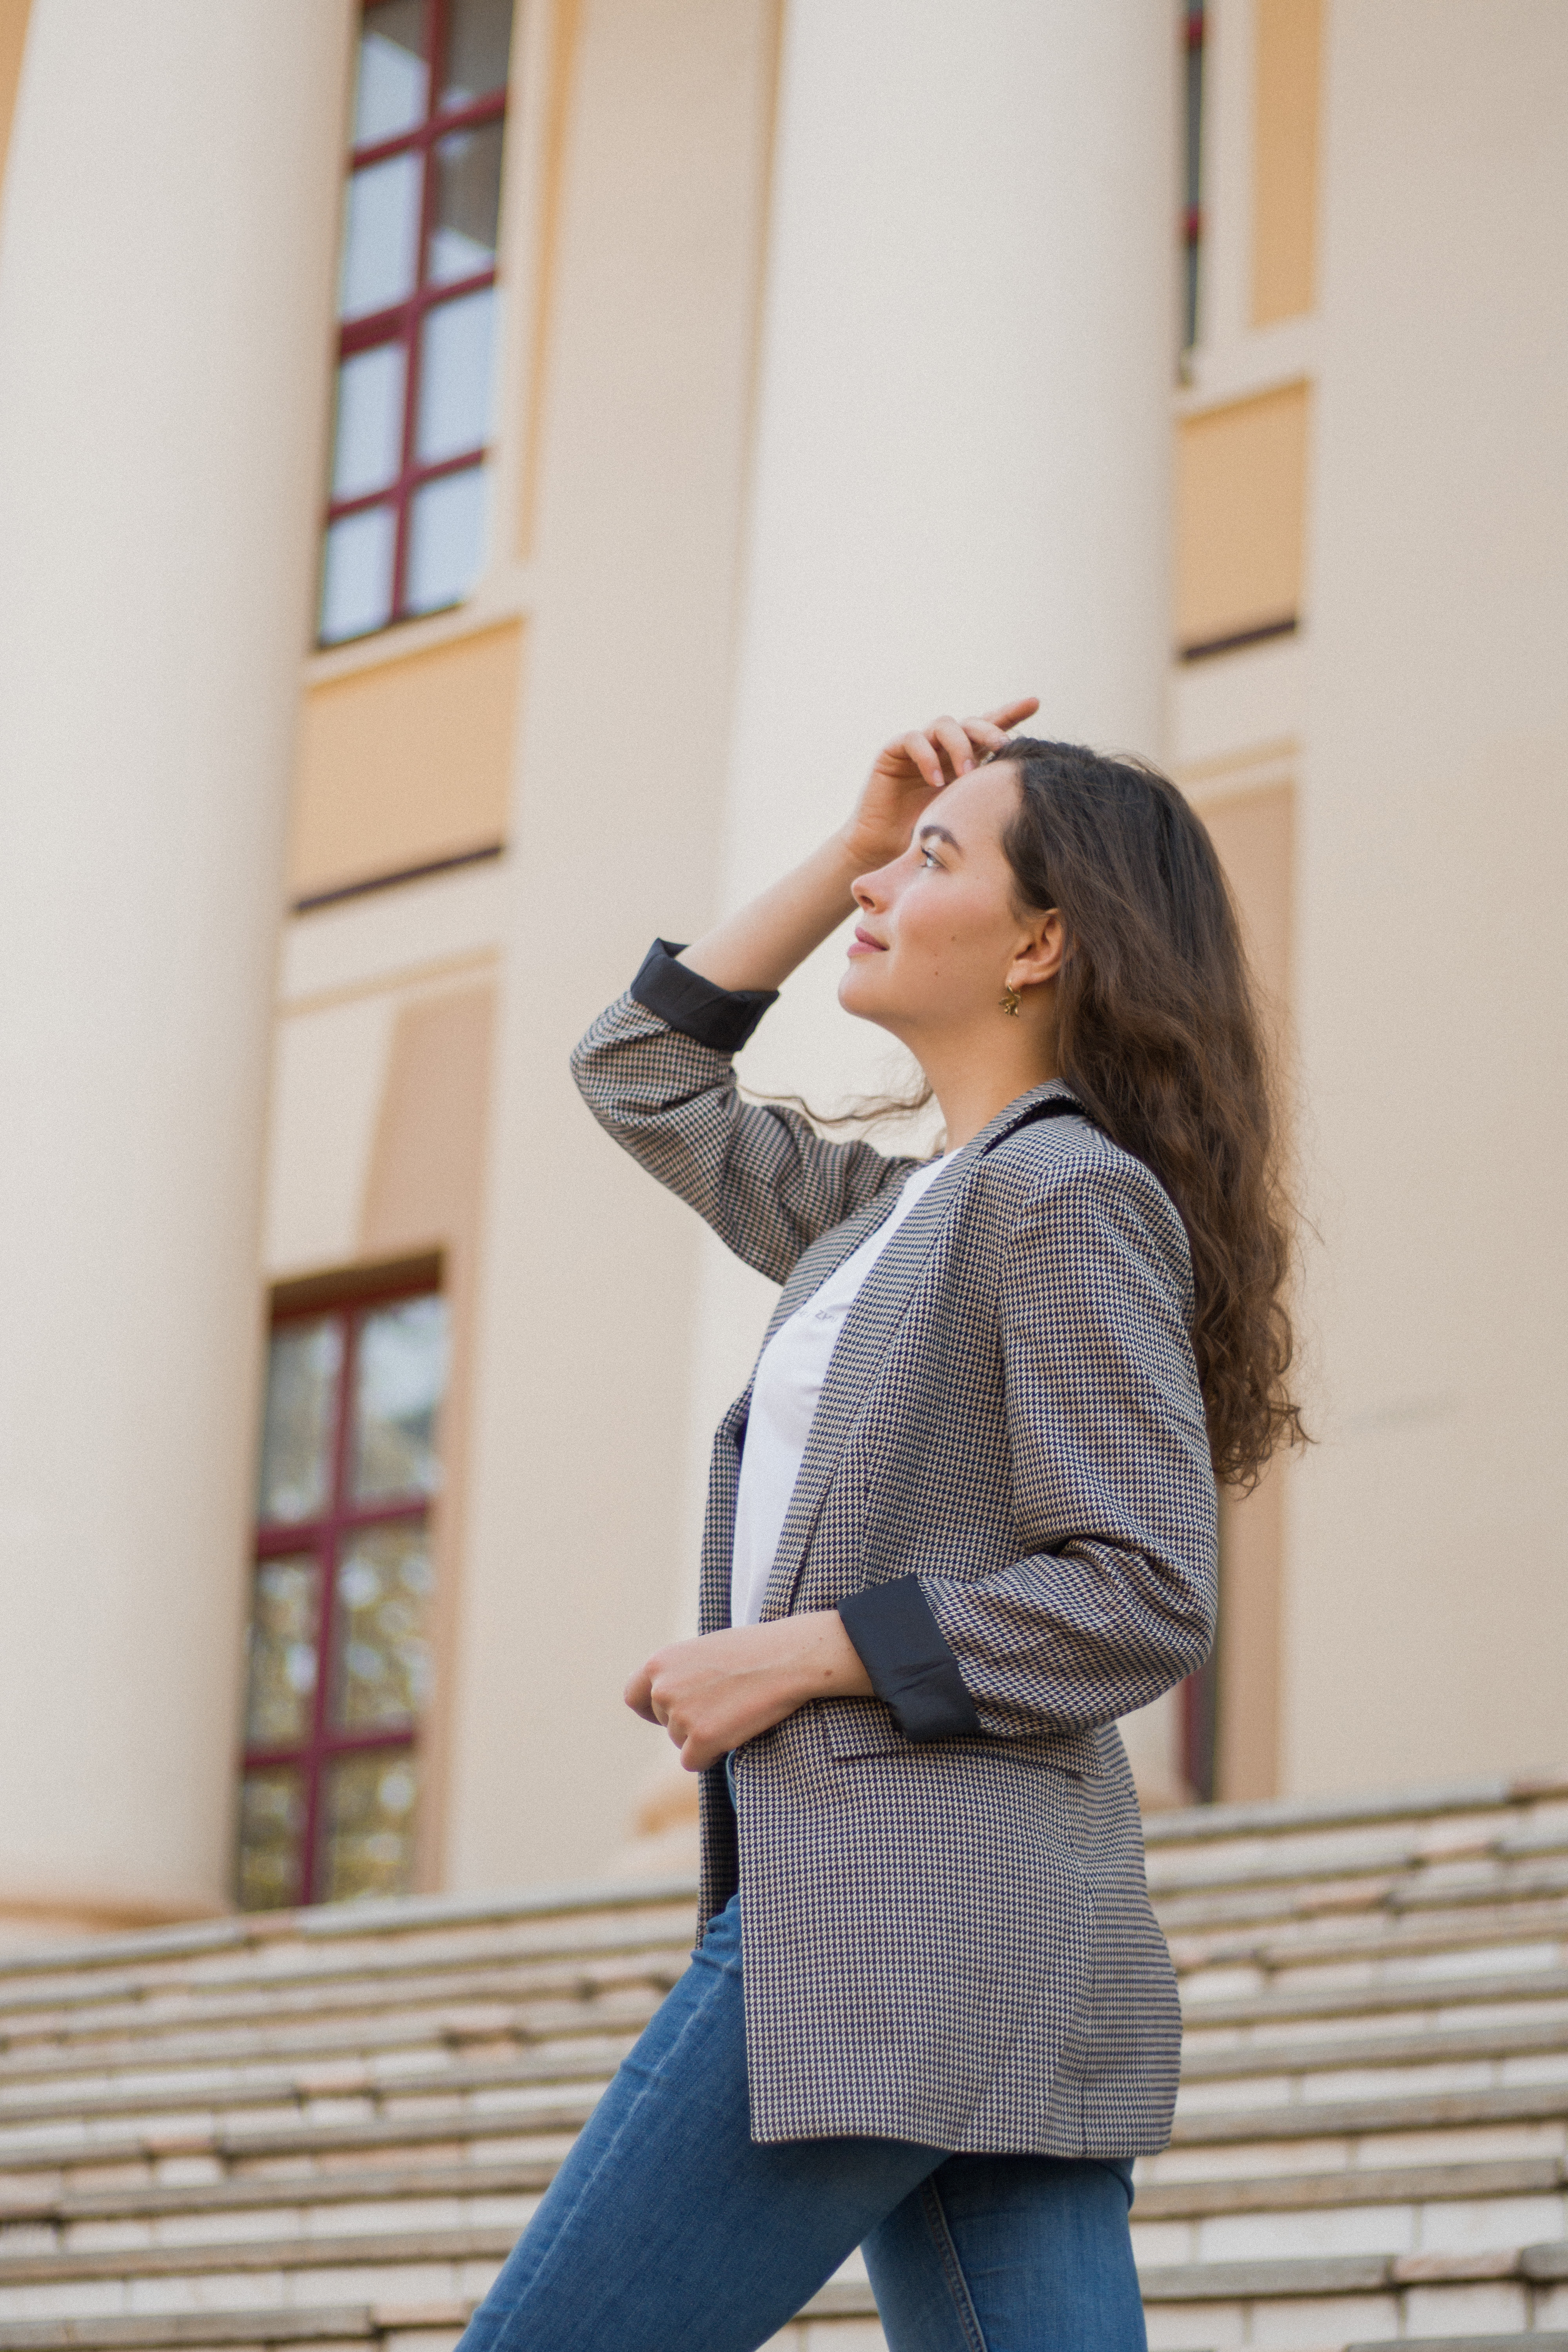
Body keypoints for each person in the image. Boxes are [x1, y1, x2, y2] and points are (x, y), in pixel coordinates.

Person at [459, 700, 1302, 2352]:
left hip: (896, 1921)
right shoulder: (897, 1217)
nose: (880, 892)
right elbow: (638, 1075)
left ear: (1042, 938)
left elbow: (1138, 1590)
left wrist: (797, 1656)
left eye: (932, 861)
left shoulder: (1066, 1194)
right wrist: (849, 850)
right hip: (974, 1929)